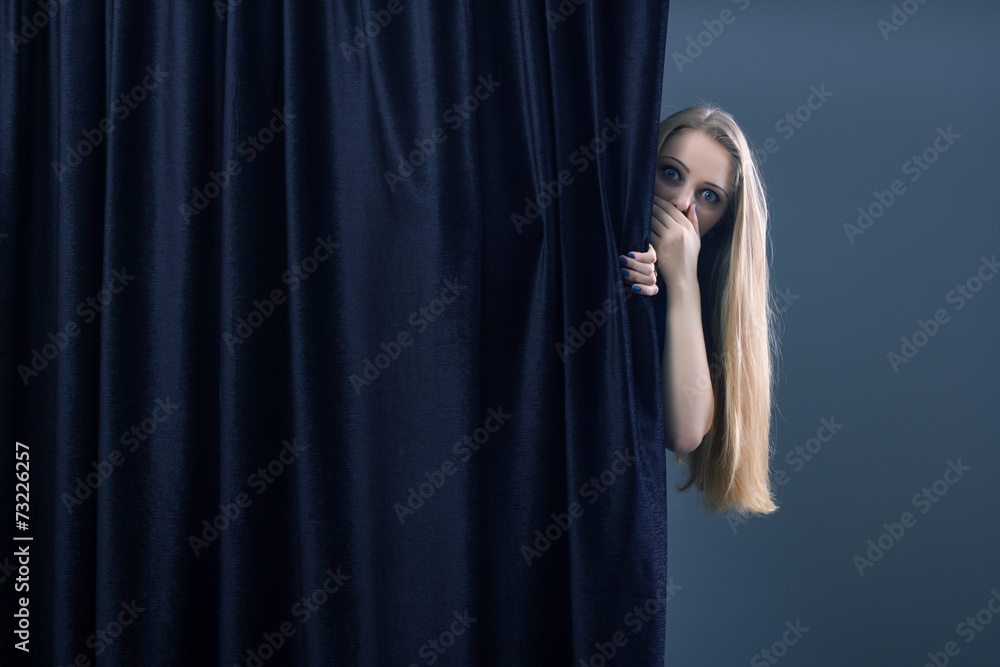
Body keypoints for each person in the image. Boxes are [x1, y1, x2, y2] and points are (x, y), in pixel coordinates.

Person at [619, 104, 779, 516]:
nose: (680, 201)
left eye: (709, 196)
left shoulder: (697, 287)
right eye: (669, 172)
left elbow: (685, 431)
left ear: (724, 219)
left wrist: (684, 283)